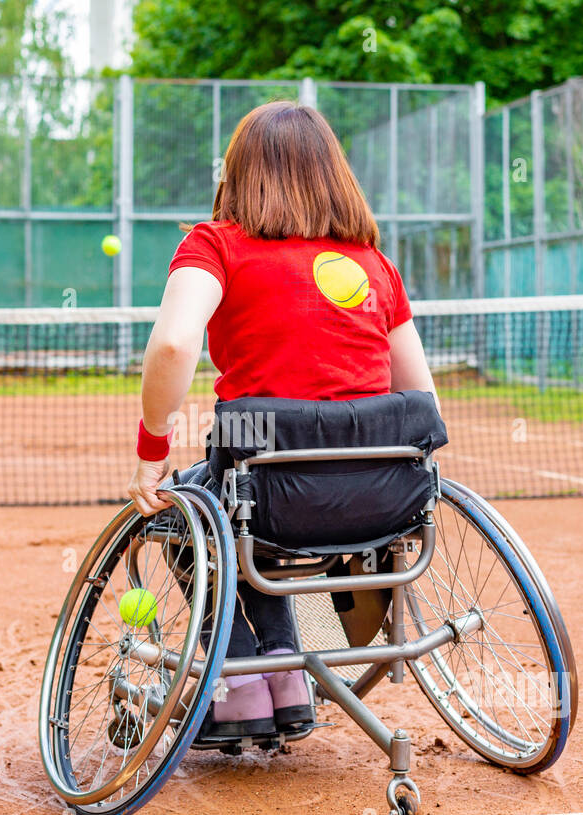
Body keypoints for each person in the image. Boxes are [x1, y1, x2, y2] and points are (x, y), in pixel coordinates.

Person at [126, 101, 439, 739]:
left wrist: (152, 443)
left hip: (265, 480)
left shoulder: (214, 245)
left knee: (189, 516)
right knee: (243, 509)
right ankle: (285, 673)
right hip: (378, 498)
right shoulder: (374, 264)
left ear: (239, 172)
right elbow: (421, 395)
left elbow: (171, 347)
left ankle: (242, 677)